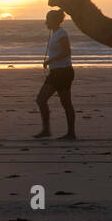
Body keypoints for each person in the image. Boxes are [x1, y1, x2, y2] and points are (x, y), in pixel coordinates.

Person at [35, 9, 75, 139]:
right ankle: (48, 130)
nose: (46, 22)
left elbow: (67, 51)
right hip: (56, 72)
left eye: (48, 19)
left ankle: (70, 133)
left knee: (62, 102)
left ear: (54, 20)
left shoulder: (61, 33)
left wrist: (49, 60)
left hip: (63, 72)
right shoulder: (55, 33)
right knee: (42, 100)